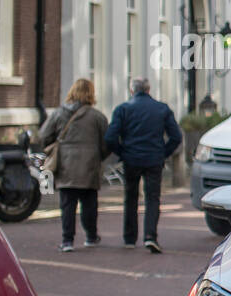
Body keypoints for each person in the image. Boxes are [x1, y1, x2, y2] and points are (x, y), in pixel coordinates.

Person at [105, 78, 182, 253]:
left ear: (131, 91)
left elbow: (110, 137)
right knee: (152, 198)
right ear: (149, 90)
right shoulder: (162, 109)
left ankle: (130, 238)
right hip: (154, 159)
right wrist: (163, 153)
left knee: (130, 197)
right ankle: (150, 236)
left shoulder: (123, 109)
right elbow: (176, 136)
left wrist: (122, 152)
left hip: (131, 159)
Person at [39, 78, 109, 252]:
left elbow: (43, 136)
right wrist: (99, 156)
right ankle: (91, 236)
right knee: (89, 203)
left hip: (65, 163)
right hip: (89, 164)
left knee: (67, 204)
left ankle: (67, 240)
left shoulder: (58, 114)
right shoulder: (97, 116)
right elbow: (107, 143)